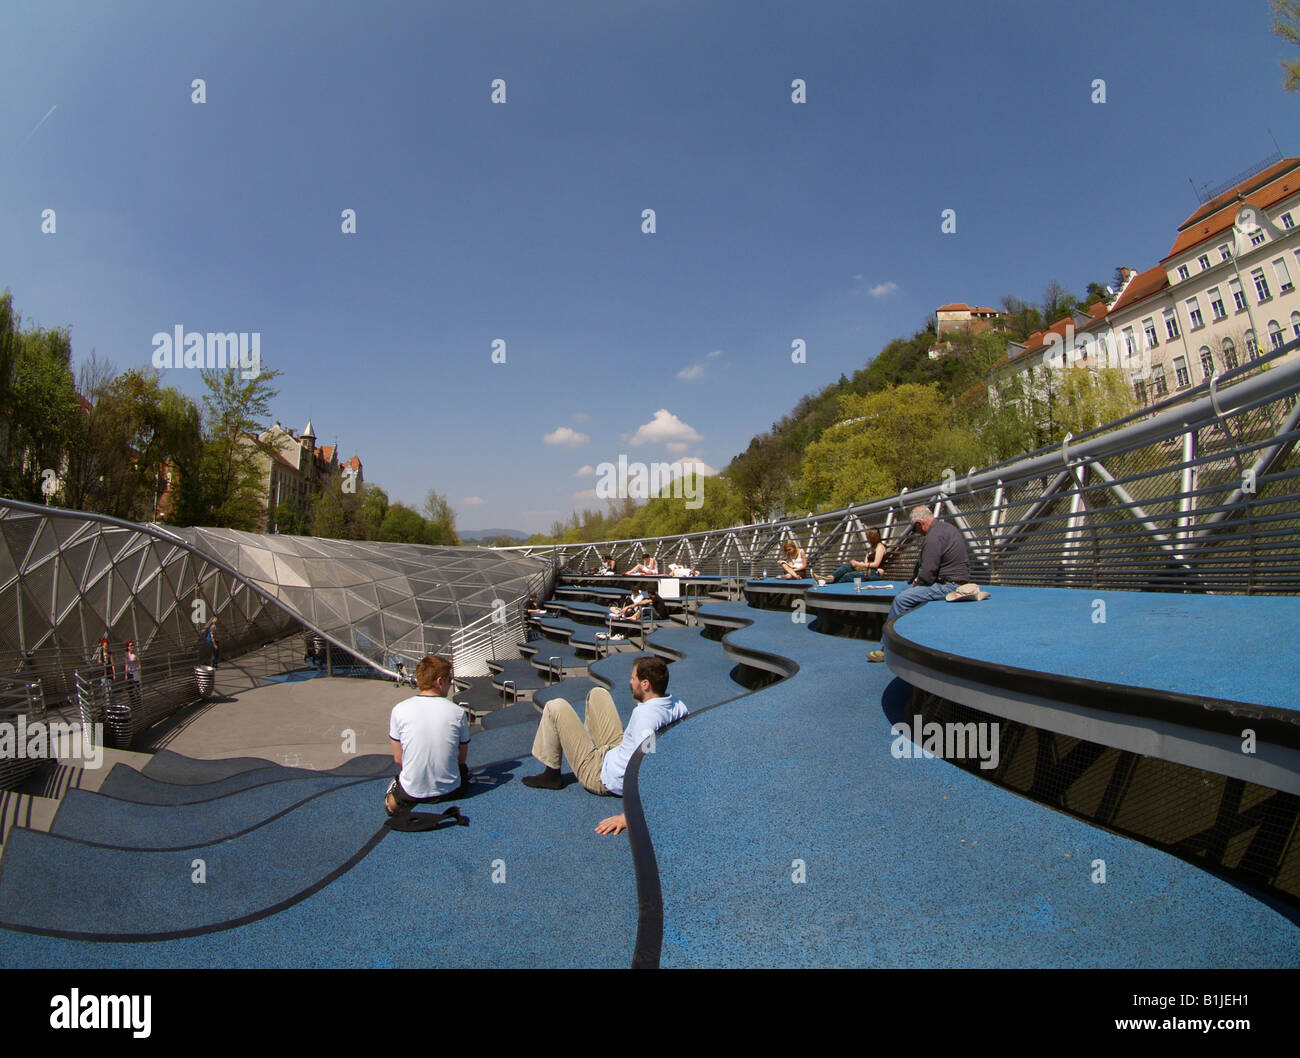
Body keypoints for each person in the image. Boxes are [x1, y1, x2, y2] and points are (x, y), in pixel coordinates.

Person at [523, 655, 688, 836]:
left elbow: (650, 768)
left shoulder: (645, 719)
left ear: (645, 684)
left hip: (600, 775)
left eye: (633, 678)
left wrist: (628, 816)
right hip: (616, 751)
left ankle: (552, 775)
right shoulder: (677, 705)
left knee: (555, 707)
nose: (630, 682)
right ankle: (588, 749)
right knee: (598, 693)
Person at [868, 506, 974, 662]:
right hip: (955, 580)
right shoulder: (946, 528)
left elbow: (928, 573)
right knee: (905, 591)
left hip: (949, 585)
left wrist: (918, 581)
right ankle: (906, 636)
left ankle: (887, 648)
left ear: (919, 523)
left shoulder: (933, 537)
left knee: (902, 599)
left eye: (914, 528)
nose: (917, 532)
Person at [385, 655, 471, 816]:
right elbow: (461, 759)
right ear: (440, 682)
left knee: (392, 800)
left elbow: (398, 758)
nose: (450, 684)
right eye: (449, 680)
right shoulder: (458, 712)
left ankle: (396, 798)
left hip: (413, 791)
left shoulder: (399, 710)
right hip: (452, 790)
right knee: (463, 771)